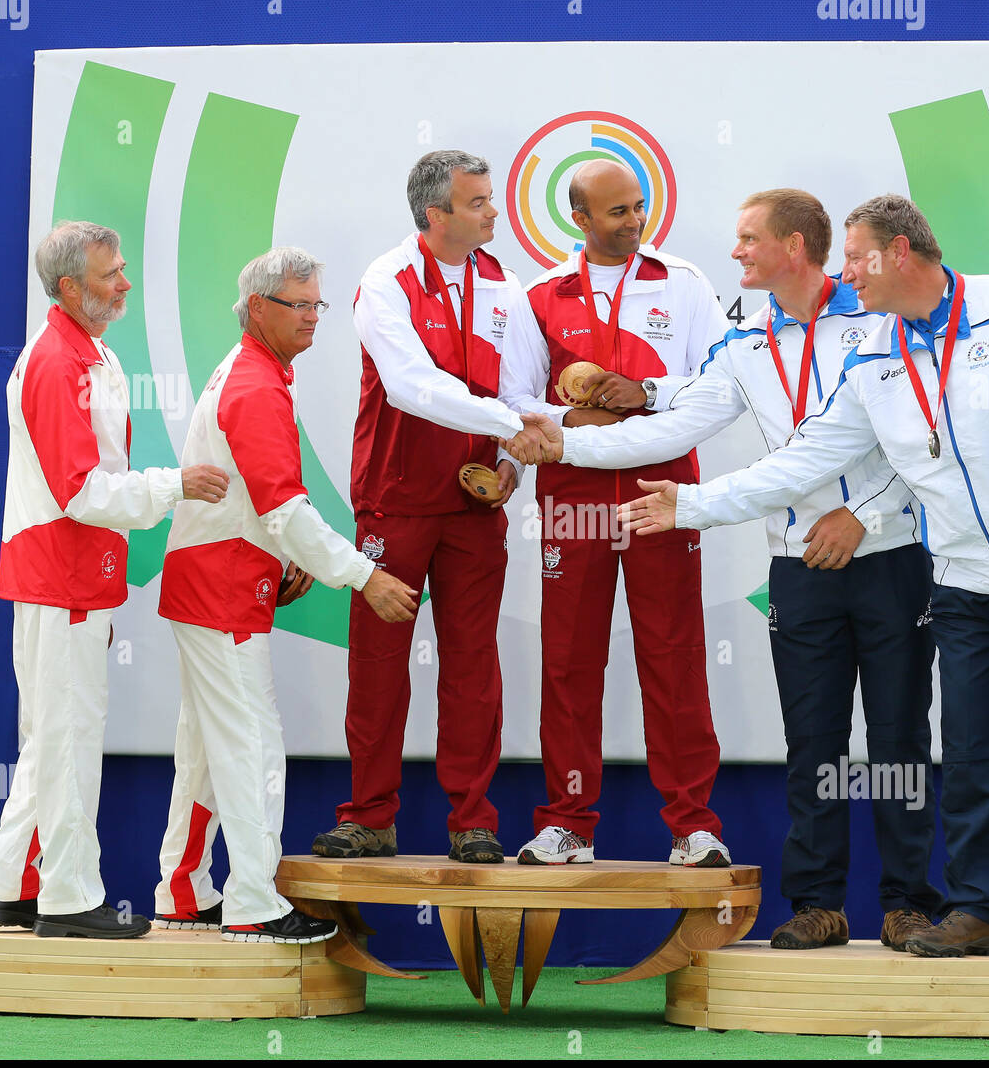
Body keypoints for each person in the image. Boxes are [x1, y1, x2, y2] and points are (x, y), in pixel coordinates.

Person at [618, 194, 989, 958]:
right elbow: (804, 458)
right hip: (961, 582)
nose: (847, 273)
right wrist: (694, 504)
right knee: (969, 754)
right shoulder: (875, 358)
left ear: (903, 253)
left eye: (859, 258)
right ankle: (981, 911)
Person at [512, 190, 941, 946]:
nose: (735, 251)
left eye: (749, 239)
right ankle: (818, 904)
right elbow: (683, 418)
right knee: (813, 740)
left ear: (795, 248)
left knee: (899, 739)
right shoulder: (746, 336)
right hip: (797, 565)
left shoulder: (878, 323)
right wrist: (566, 445)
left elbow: (926, 439)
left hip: (887, 556)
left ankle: (908, 903)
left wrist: (863, 515)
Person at [153, 247, 419, 943]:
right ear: (260, 307)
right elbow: (284, 511)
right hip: (224, 588)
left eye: (316, 305)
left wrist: (283, 559)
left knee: (209, 750)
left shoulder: (247, 372)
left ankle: (184, 890)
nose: (312, 318)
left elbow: (264, 511)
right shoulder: (258, 385)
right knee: (252, 747)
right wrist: (366, 574)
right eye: (299, 305)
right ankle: (250, 902)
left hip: (214, 578)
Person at [0, 220, 229, 940]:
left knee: (53, 735)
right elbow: (82, 492)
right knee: (70, 737)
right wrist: (174, 486)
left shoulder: (85, 353)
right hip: (61, 570)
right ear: (69, 287)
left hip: (69, 575)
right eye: (111, 274)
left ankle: (10, 887)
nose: (125, 283)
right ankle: (66, 898)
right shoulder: (61, 363)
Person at [310, 150, 553, 866]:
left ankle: (472, 820)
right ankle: (368, 817)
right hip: (396, 500)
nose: (493, 212)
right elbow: (409, 385)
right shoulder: (385, 282)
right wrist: (513, 429)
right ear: (435, 213)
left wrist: (510, 462)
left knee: (473, 663)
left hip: (475, 506)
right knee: (379, 663)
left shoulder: (503, 287)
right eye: (478, 202)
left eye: (491, 199)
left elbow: (521, 389)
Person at [498, 159, 730, 867]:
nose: (635, 222)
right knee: (569, 660)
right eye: (618, 212)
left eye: (639, 207)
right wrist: (585, 415)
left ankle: (693, 825)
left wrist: (648, 392)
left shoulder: (683, 284)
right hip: (572, 497)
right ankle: (569, 821)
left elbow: (720, 382)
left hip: (659, 493)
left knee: (675, 655)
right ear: (580, 220)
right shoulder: (538, 296)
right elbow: (512, 402)